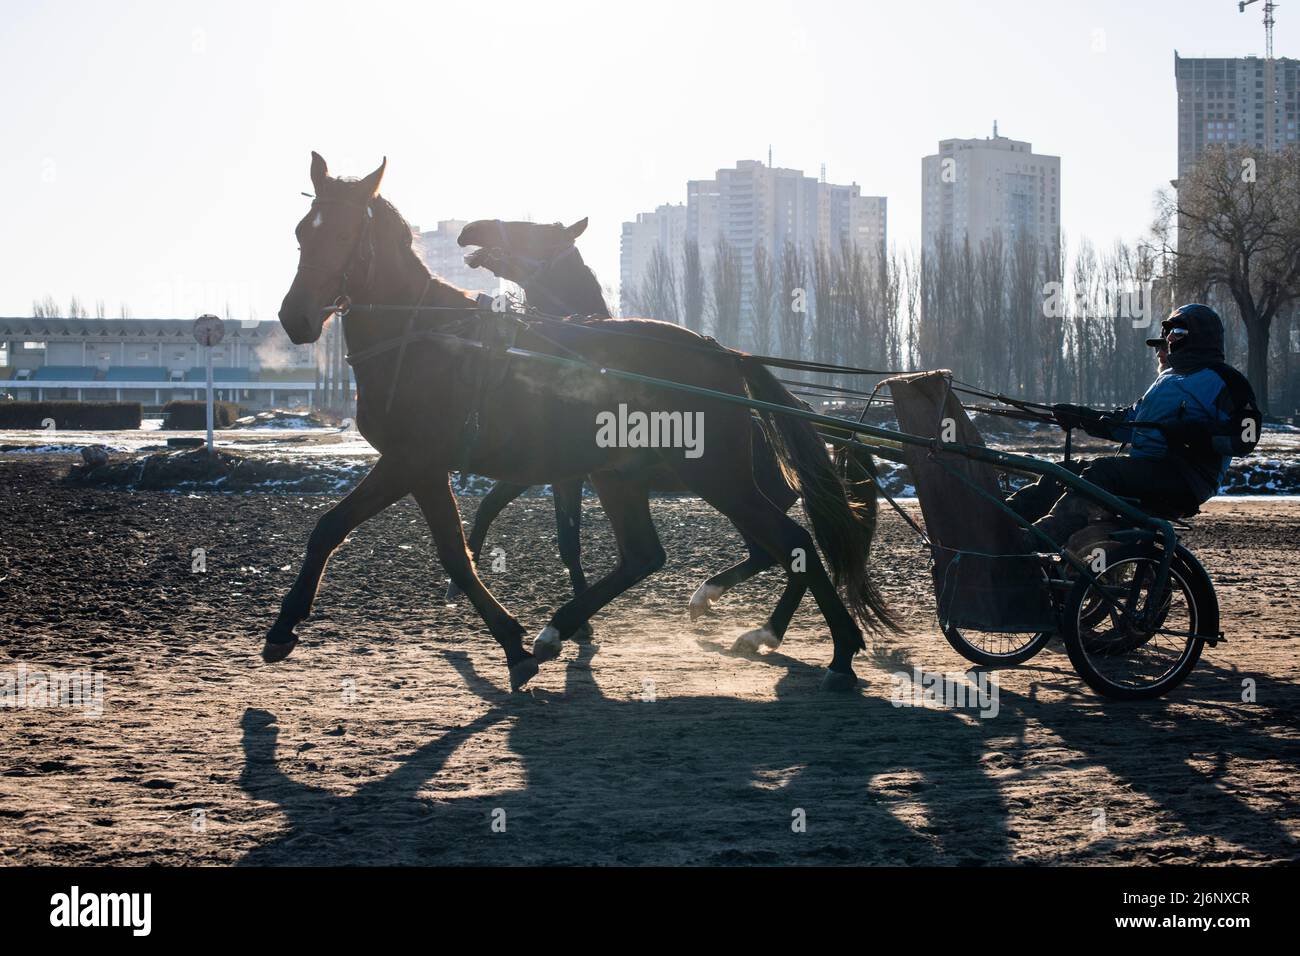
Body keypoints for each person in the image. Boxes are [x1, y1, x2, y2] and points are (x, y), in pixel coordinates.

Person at [1007, 303, 1261, 549]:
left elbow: (1245, 437)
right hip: (1148, 470)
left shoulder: (1226, 381)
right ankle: (1001, 520)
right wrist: (1080, 416)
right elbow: (1128, 423)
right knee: (1061, 473)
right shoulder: (1166, 380)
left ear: (1202, 337)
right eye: (1168, 333)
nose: (1169, 339)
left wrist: (1192, 435)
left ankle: (1041, 538)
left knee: (1102, 472)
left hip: (1184, 479)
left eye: (1178, 332)